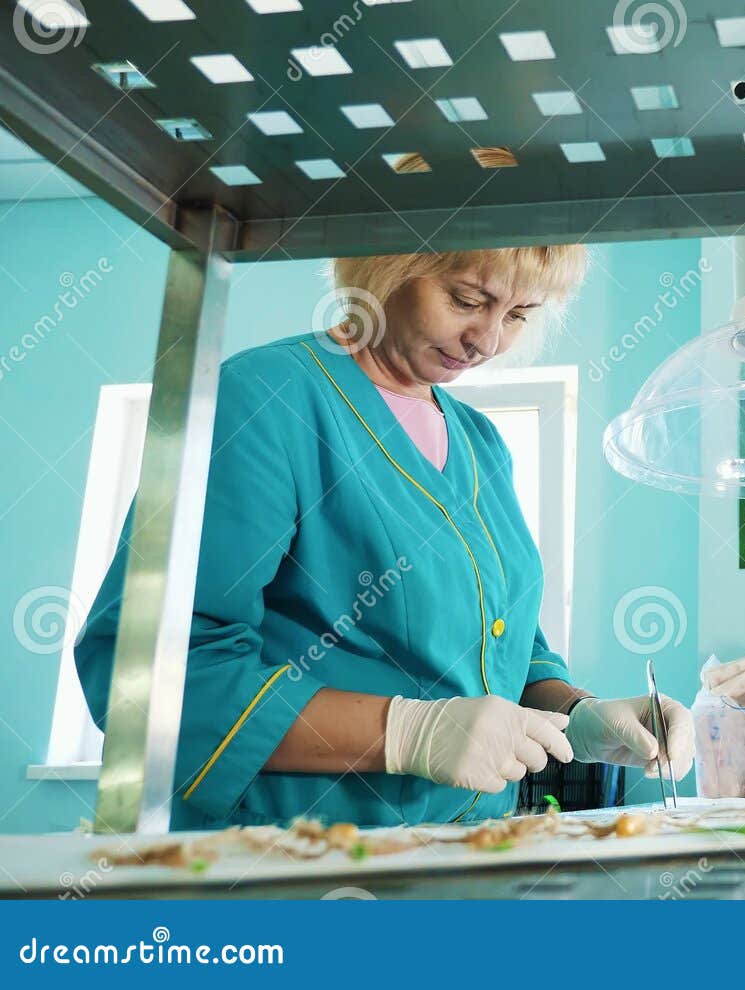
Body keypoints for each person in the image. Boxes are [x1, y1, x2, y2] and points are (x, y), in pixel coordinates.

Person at [76, 245, 694, 830]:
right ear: (388, 267)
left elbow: (504, 650)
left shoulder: (481, 444)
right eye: (466, 299)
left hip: (460, 857)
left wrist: (580, 716)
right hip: (292, 861)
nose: (488, 340)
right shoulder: (267, 398)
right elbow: (148, 677)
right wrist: (404, 733)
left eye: (519, 314)